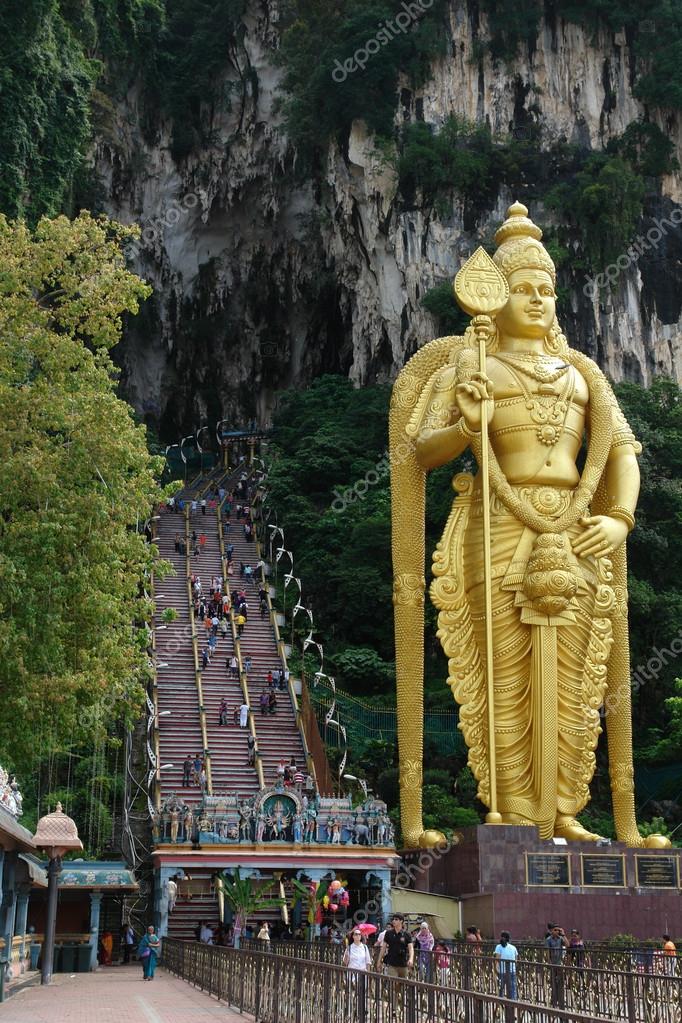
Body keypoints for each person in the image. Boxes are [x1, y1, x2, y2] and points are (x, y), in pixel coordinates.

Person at [391, 201, 671, 849]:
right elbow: (421, 449)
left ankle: (568, 809)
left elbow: (622, 453)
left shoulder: (584, 373)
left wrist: (620, 517)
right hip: (498, 525)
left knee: (579, 675)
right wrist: (466, 422)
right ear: (496, 298)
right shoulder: (473, 365)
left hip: (576, 531)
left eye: (548, 289)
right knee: (505, 672)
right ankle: (517, 811)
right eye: (524, 288)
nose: (539, 299)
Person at [377, 913, 414, 978]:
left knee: (402, 985)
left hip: (403, 964)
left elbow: (411, 948)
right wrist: (379, 961)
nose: (393, 921)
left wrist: (411, 959)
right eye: (393, 919)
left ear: (401, 921)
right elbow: (383, 948)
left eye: (396, 919)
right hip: (392, 964)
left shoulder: (406, 934)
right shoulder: (388, 933)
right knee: (393, 984)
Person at [494, 931, 517, 1000]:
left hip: (503, 970)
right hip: (512, 970)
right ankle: (513, 1001)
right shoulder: (513, 947)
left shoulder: (498, 947)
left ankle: (500, 1000)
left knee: (501, 987)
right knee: (512, 987)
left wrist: (496, 969)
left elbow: (497, 959)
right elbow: (516, 960)